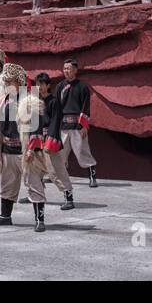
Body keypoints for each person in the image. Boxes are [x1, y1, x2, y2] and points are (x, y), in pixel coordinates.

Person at [0, 62, 45, 230]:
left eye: (9, 81)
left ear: (19, 82)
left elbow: (36, 127)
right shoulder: (3, 100)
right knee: (7, 184)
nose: (6, 84)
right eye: (5, 81)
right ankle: (5, 216)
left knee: (34, 184)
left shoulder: (30, 100)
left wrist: (31, 150)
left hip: (25, 151)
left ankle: (39, 220)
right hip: (7, 150)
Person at [34, 72, 76, 209]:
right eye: (37, 84)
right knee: (35, 169)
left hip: (49, 140)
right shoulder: (36, 101)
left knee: (55, 170)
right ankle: (36, 195)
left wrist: (49, 141)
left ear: (48, 85)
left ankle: (68, 197)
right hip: (37, 140)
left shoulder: (54, 102)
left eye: (42, 84)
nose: (39, 87)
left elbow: (55, 122)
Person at [57, 59, 97, 188]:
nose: (66, 71)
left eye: (68, 68)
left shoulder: (82, 87)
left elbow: (86, 107)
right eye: (64, 68)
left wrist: (83, 125)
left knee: (82, 152)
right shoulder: (60, 87)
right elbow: (56, 106)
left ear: (75, 70)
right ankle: (59, 177)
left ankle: (92, 176)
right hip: (63, 126)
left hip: (77, 126)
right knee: (60, 153)